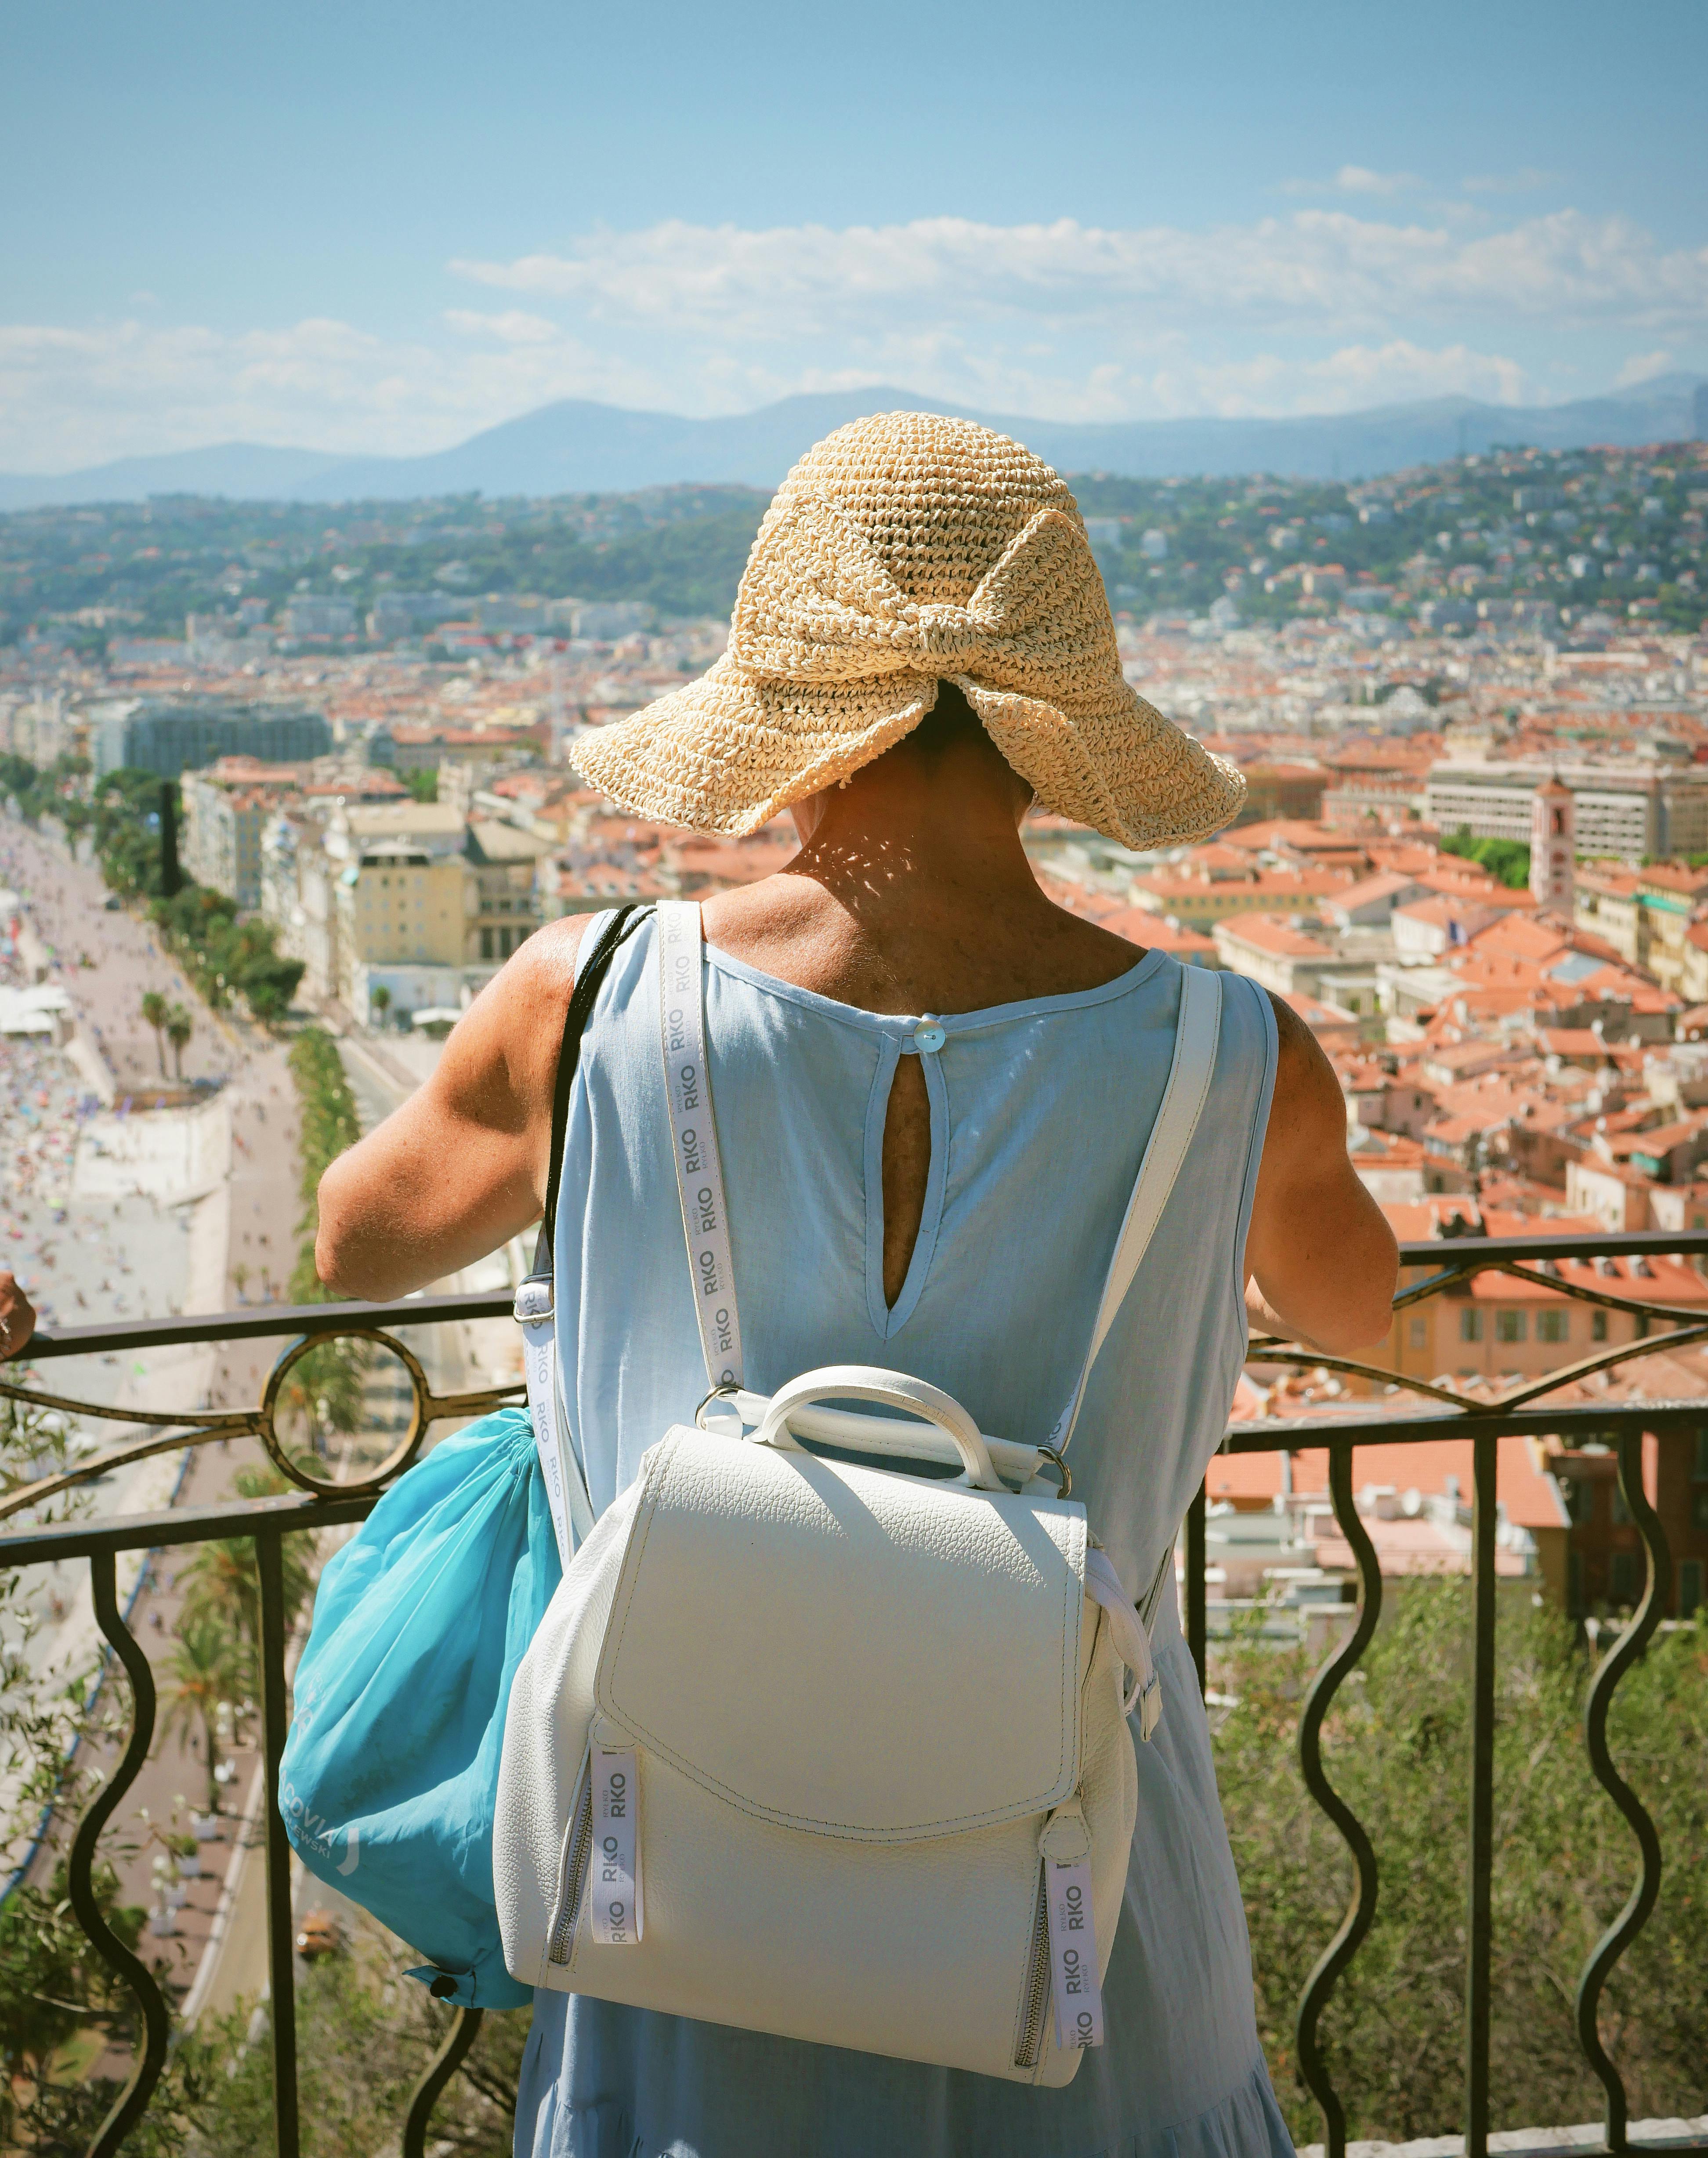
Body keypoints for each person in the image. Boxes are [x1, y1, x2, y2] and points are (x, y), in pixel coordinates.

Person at [9, 413, 1397, 2158]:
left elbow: (358, 1240)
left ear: (795, 724)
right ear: (1052, 743)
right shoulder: (1230, 1056)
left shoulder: (588, 996)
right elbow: (1365, 1312)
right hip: (1078, 1908)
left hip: (688, 1891)